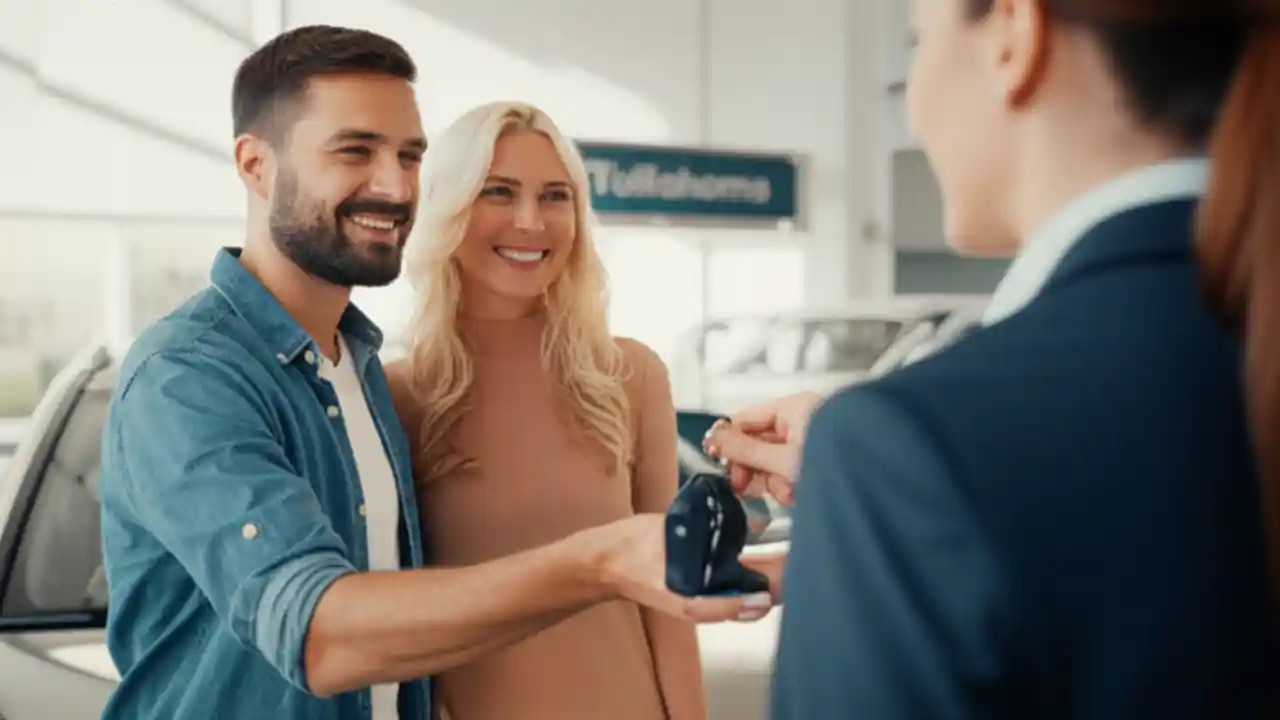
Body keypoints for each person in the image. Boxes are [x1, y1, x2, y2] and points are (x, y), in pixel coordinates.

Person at [98, 26, 770, 720]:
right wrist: (595, 563)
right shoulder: (189, 377)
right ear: (255, 165)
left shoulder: (353, 377)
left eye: (409, 156)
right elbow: (319, 634)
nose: (392, 184)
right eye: (354, 150)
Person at [707, 1, 1280, 718]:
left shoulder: (905, 455)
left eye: (918, 42)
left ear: (1014, 31)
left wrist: (898, 481)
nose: (914, 111)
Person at [381, 100, 709, 720]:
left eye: (555, 196)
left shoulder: (629, 376)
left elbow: (672, 594)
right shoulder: (399, 395)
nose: (531, 221)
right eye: (498, 193)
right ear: (449, 207)